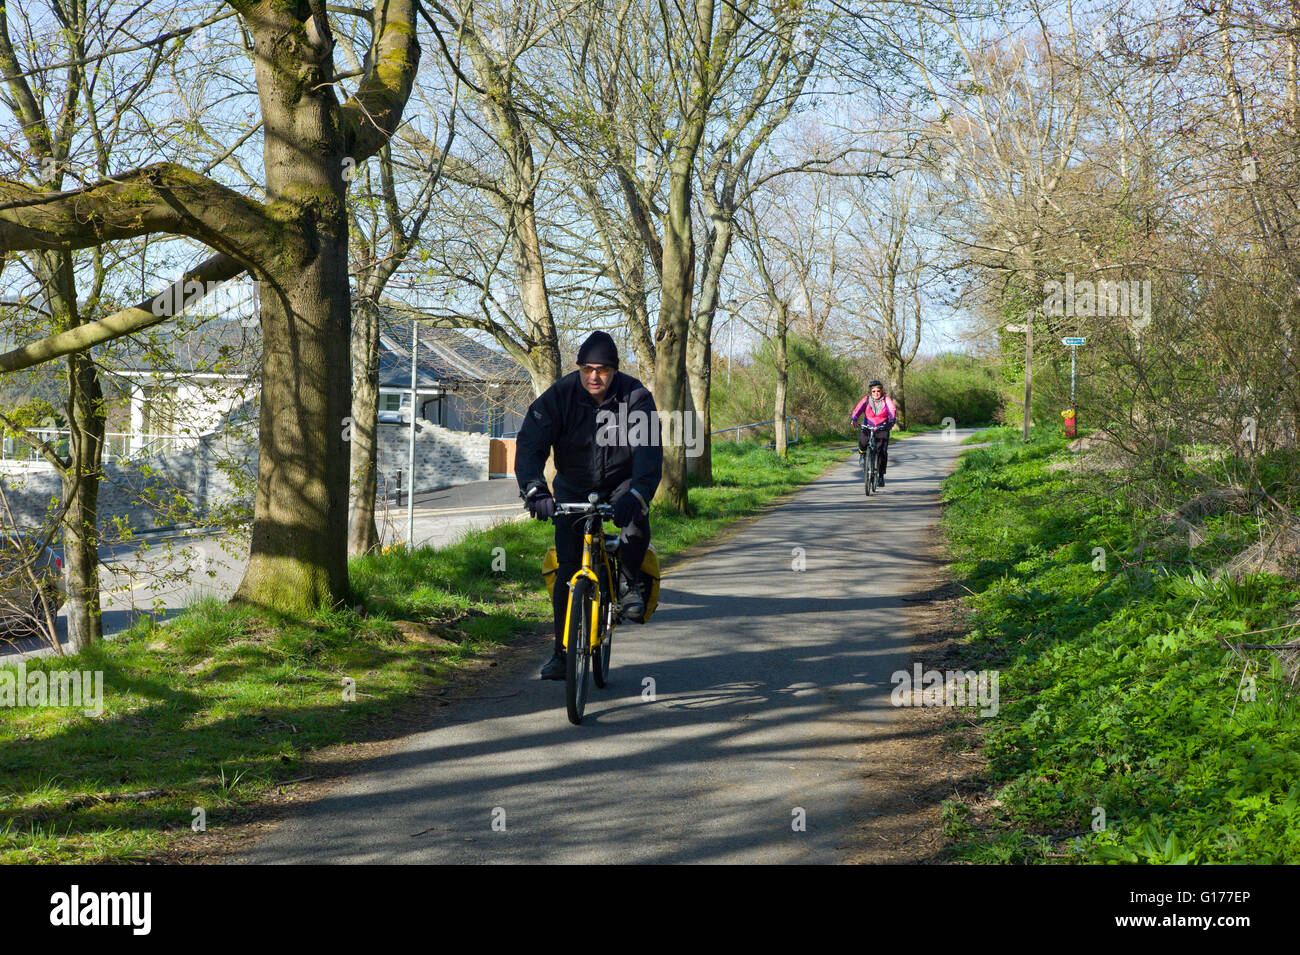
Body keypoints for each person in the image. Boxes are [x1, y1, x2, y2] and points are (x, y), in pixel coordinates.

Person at [515, 331, 663, 680]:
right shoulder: (560, 396)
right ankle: (561, 653)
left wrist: (638, 494)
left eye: (602, 370)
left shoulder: (636, 397)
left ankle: (627, 581)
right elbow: (530, 444)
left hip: (622, 483)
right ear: (579, 368)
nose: (593, 377)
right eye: (587, 369)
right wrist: (535, 490)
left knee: (635, 525)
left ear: (614, 371)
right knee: (568, 570)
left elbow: (649, 453)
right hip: (573, 485)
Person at [849, 380, 897, 485]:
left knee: (882, 452)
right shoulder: (866, 400)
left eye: (878, 391)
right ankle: (862, 455)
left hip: (882, 428)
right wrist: (854, 419)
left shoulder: (886, 400)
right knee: (862, 442)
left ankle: (880, 476)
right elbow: (857, 409)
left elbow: (892, 409)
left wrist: (892, 420)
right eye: (873, 391)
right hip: (868, 426)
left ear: (882, 391)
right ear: (870, 392)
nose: (876, 393)